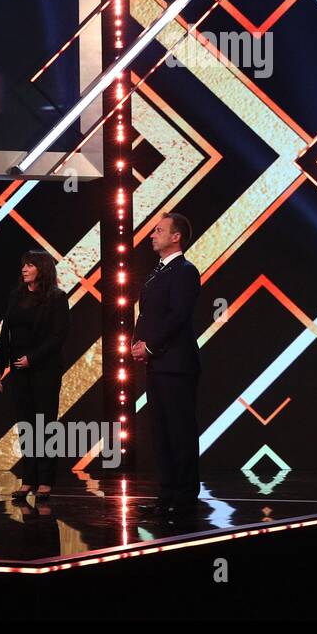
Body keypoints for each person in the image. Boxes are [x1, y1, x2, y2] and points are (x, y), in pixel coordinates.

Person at [131, 212, 202, 517]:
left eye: (159, 230)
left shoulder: (185, 271)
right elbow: (148, 315)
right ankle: (167, 493)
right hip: (157, 365)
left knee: (179, 432)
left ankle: (185, 497)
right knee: (161, 432)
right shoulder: (155, 273)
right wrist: (137, 343)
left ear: (176, 237)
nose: (152, 234)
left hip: (177, 364)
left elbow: (177, 315)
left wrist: (150, 345)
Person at [0, 250, 71, 501]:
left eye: (30, 265)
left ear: (42, 269)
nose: (24, 269)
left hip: (44, 368)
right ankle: (28, 479)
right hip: (17, 368)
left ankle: (45, 480)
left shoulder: (57, 298)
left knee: (45, 424)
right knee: (26, 425)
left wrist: (33, 358)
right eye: (23, 265)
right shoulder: (16, 296)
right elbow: (6, 333)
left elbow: (59, 335)